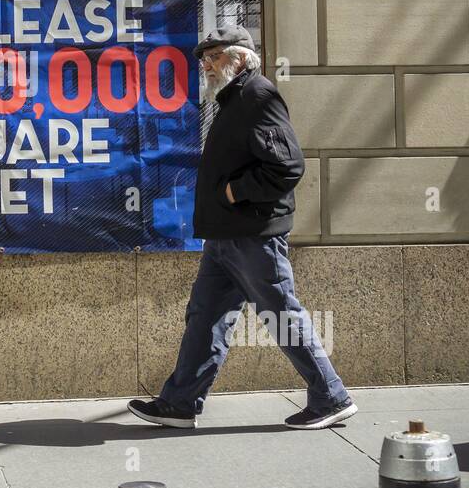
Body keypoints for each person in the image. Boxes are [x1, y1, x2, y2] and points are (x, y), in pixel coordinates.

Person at [129, 24, 356, 431]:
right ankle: (180, 403)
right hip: (224, 237)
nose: (207, 65)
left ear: (240, 57)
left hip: (253, 235)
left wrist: (235, 193)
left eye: (214, 56)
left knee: (281, 313)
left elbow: (288, 166)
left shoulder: (257, 96)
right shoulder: (233, 99)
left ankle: (331, 396)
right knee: (204, 317)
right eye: (204, 59)